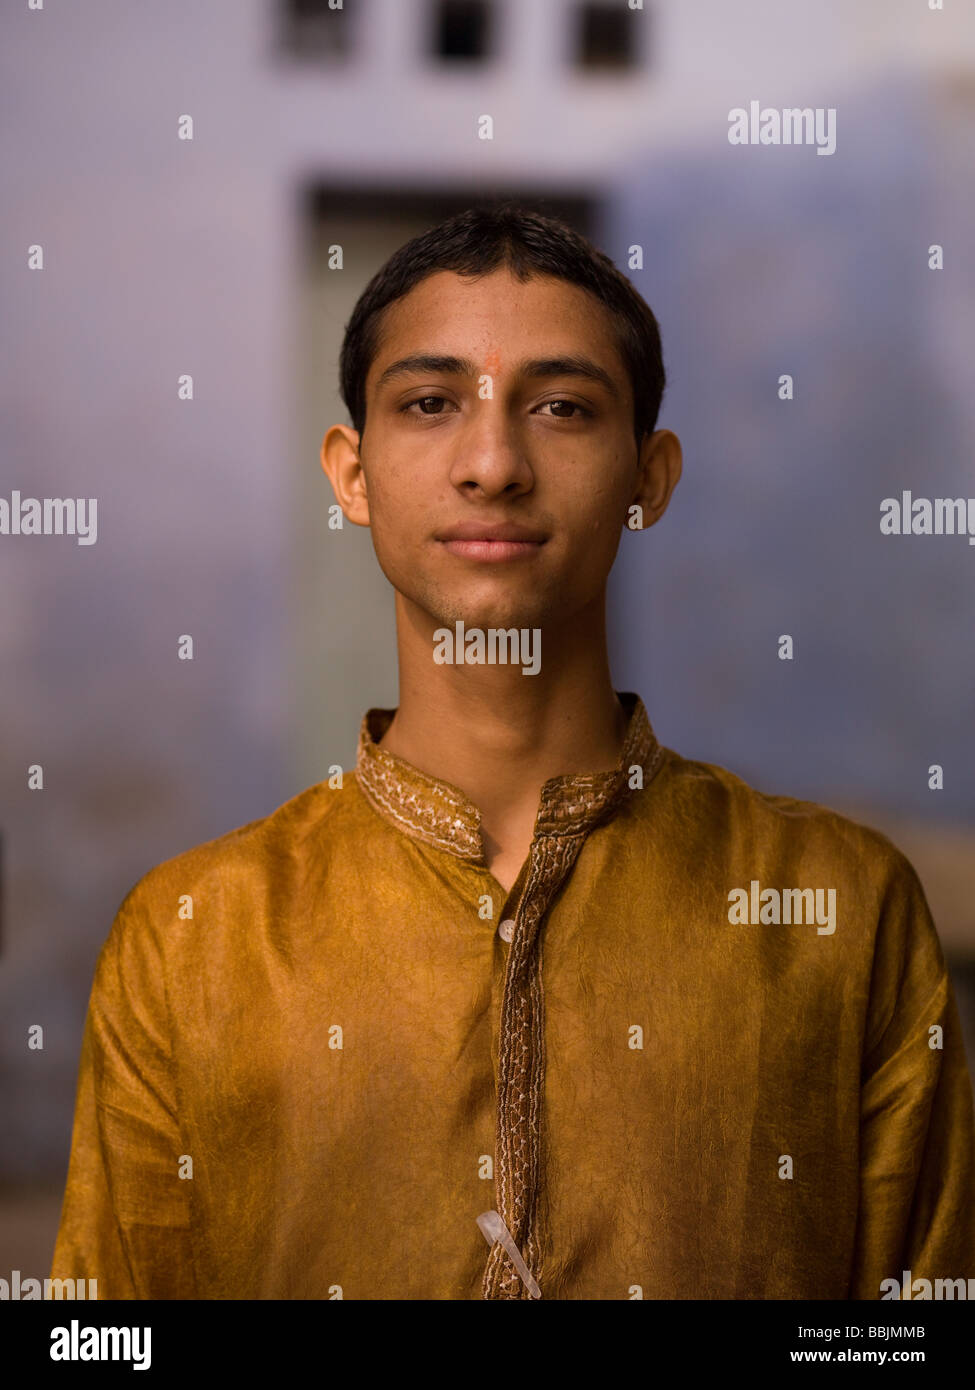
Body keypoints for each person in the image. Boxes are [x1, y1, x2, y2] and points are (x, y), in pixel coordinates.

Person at [52, 204, 975, 1300]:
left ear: (651, 477)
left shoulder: (839, 910)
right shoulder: (191, 937)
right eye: (432, 403)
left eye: (564, 407)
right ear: (351, 473)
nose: (493, 462)